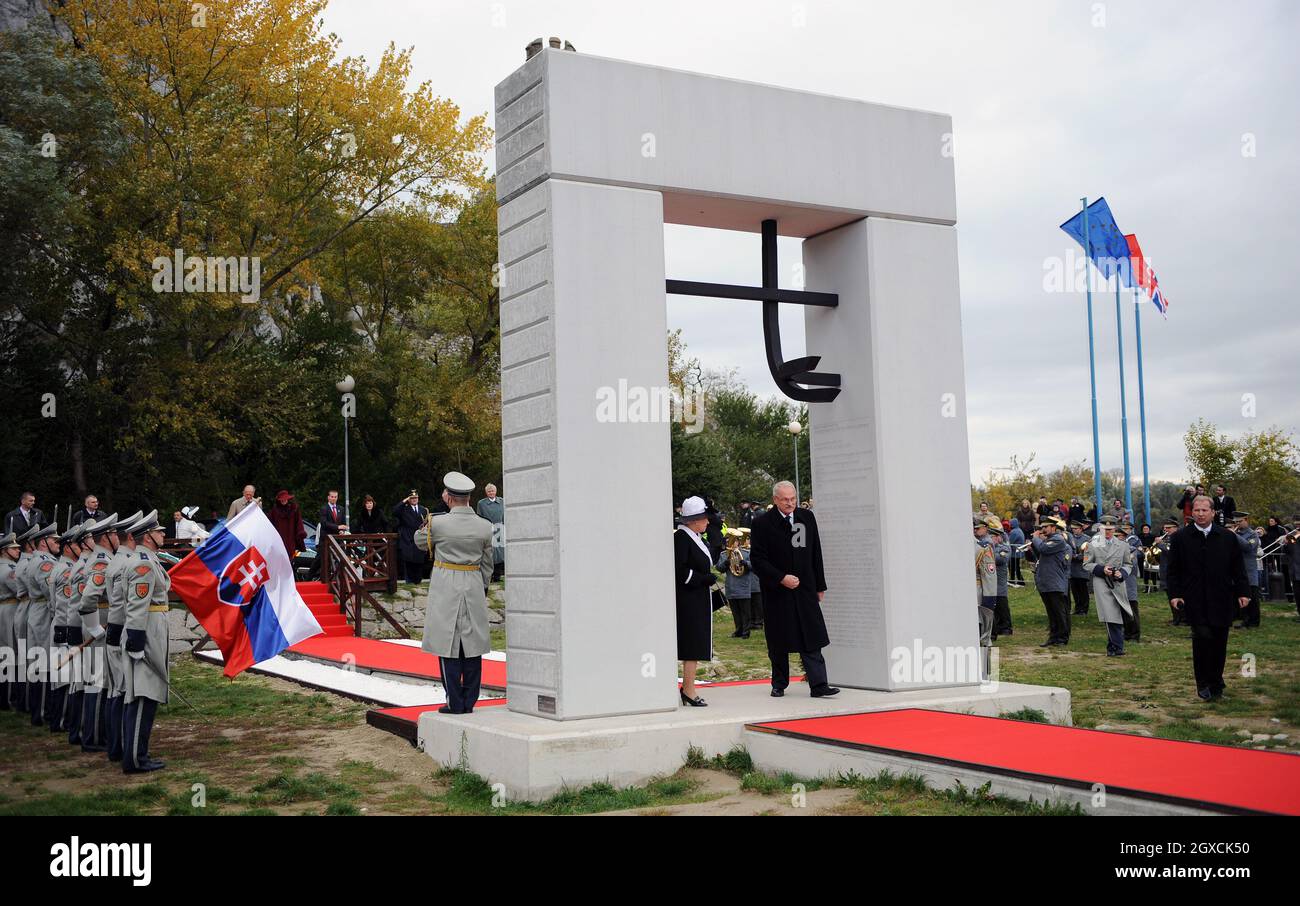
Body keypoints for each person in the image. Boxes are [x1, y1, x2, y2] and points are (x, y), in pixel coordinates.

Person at [750, 480, 838, 699]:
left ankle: (819, 684)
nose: (790, 503)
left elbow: (816, 552)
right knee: (779, 638)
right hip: (777, 592)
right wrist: (781, 578)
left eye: (793, 499)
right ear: (775, 500)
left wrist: (820, 585)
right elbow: (758, 560)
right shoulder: (762, 524)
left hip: (805, 588)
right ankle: (779, 683)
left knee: (811, 635)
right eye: (785, 500)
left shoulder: (806, 518)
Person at [417, 473, 494, 715]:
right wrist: (481, 587)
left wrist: (429, 521)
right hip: (472, 581)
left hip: (446, 582)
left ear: (449, 497)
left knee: (447, 643)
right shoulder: (484, 525)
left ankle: (454, 701)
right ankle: (469, 700)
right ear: (470, 498)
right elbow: (488, 564)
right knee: (472, 645)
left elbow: (419, 542)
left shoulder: (437, 523)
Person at [1166, 496, 1249, 701]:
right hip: (1194, 599)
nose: (1200, 514)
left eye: (1204, 510)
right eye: (1196, 510)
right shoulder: (1180, 537)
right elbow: (1173, 570)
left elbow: (1237, 568)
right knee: (1203, 640)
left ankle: (1216, 683)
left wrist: (1243, 591)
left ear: (1213, 512)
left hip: (1221, 598)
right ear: (1191, 513)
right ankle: (1203, 684)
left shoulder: (1227, 537)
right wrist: (1175, 594)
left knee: (1219, 642)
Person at [122, 511, 170, 772]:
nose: (163, 534)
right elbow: (137, 607)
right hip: (146, 632)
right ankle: (135, 759)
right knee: (144, 694)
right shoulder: (144, 564)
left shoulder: (149, 560)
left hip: (150, 630)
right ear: (148, 536)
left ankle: (137, 755)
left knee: (146, 694)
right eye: (159, 531)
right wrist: (137, 642)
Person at [74, 514, 118, 752]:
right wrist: (95, 629)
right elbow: (88, 599)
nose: (116, 537)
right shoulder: (102, 560)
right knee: (98, 683)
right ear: (107, 537)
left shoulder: (102, 557)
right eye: (113, 533)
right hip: (99, 623)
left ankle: (94, 735)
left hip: (100, 622)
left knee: (98, 682)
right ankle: (93, 737)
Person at [103, 510, 142, 763]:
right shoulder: (127, 563)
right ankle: (120, 748)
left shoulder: (118, 561)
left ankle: (115, 746)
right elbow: (123, 604)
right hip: (120, 629)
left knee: (116, 691)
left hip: (115, 629)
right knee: (123, 691)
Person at [673, 496, 716, 705]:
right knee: (691, 644)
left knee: (696, 643)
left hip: (698, 597)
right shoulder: (682, 538)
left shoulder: (695, 536)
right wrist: (702, 578)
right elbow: (680, 571)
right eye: (704, 517)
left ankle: (689, 688)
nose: (707, 521)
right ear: (693, 520)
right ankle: (689, 690)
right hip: (688, 599)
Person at [1084, 517, 1133, 656]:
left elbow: (1128, 564)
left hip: (1118, 582)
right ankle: (1116, 647)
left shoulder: (1123, 545)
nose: (1108, 532)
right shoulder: (1092, 545)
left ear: (1115, 529)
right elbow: (1086, 564)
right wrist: (1101, 569)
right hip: (1102, 582)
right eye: (1105, 529)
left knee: (1119, 612)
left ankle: (1114, 646)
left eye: (1111, 530)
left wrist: (1122, 573)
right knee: (1109, 614)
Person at [1031, 517, 1071, 646]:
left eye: (1045, 527)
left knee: (1059, 612)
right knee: (1051, 613)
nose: (1042, 530)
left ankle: (1062, 638)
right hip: (1046, 582)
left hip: (1054, 582)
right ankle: (1053, 637)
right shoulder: (1047, 541)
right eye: (1042, 527)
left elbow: (1044, 549)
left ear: (1053, 527)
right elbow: (1040, 555)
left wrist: (1036, 538)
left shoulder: (1058, 539)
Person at [717, 528, 753, 639]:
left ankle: (746, 632)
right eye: (730, 541)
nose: (732, 543)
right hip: (731, 586)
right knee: (735, 612)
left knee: (745, 611)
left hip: (743, 586)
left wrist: (745, 563)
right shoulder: (724, 554)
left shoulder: (746, 553)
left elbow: (754, 565)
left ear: (738, 542)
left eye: (734, 541)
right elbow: (719, 568)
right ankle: (738, 630)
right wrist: (726, 563)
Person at [0, 532, 21, 710]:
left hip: (5, 608)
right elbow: (19, 590)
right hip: (10, 609)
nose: (18, 550)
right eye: (13, 548)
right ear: (4, 551)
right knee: (9, 653)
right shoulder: (8, 570)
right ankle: (7, 698)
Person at [1231, 512, 1261, 628]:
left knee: (1252, 598)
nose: (1237, 524)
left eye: (1240, 521)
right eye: (1236, 522)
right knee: (1241, 596)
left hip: (1249, 571)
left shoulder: (1253, 534)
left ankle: (1254, 621)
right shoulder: (1236, 533)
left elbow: (1249, 547)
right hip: (1238, 571)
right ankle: (1245, 620)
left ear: (1246, 520)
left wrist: (1235, 536)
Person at [392, 490, 429, 584]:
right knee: (408, 561)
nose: (414, 500)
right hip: (407, 538)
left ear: (418, 499)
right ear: (409, 499)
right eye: (412, 498)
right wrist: (404, 501)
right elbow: (394, 511)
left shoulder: (423, 509)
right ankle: (409, 581)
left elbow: (426, 523)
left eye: (415, 498)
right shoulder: (404, 509)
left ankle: (418, 581)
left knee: (419, 561)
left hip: (419, 538)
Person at [973, 520, 997, 660]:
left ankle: (985, 672)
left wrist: (989, 600)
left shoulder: (982, 548)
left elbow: (989, 577)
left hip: (978, 596)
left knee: (983, 636)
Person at [475, 483, 505, 583]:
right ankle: (489, 575)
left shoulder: (502, 501)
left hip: (499, 528)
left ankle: (498, 575)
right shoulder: (481, 503)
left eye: (492, 491)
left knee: (500, 554)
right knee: (489, 552)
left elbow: (505, 515)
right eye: (489, 491)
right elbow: (479, 517)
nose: (491, 493)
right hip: (488, 529)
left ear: (495, 491)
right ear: (486, 492)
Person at [268, 491, 307, 565]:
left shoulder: (294, 509)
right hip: (278, 539)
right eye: (282, 500)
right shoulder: (275, 510)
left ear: (288, 499)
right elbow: (270, 523)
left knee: (290, 559)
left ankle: (289, 575)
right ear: (279, 500)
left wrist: (300, 532)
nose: (283, 501)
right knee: (279, 559)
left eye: (285, 499)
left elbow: (298, 522)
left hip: (290, 539)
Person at [1118, 522, 1142, 641]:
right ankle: (1126, 633)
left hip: (1128, 583)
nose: (1117, 539)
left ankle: (1134, 634)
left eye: (1119, 537)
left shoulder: (1131, 550)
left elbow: (1131, 565)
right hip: (1118, 584)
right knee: (1122, 611)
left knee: (1132, 610)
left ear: (1124, 537)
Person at [989, 521, 1012, 638]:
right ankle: (998, 627)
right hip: (992, 580)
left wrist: (990, 553)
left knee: (1002, 606)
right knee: (995, 606)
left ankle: (1007, 627)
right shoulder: (991, 548)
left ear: (998, 537)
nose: (990, 539)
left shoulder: (1004, 548)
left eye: (992, 537)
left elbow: (1001, 559)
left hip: (1000, 580)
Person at [1067, 521, 1090, 615]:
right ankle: (1077, 608)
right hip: (1072, 569)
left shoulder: (1087, 539)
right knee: (1075, 591)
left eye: (1076, 529)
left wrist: (1078, 557)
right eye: (1073, 529)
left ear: (1081, 529)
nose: (1074, 531)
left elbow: (1088, 553)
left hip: (1082, 569)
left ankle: (1084, 609)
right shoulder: (1070, 538)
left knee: (1083, 591)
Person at [1007, 518, 1025, 587]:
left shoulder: (1014, 532)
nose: (1009, 525)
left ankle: (1017, 581)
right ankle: (1016, 580)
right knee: (1015, 567)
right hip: (1018, 552)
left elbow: (1010, 542)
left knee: (1012, 566)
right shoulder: (1019, 530)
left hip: (1015, 553)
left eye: (1010, 523)